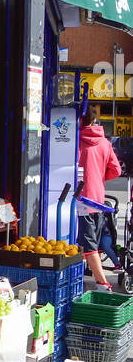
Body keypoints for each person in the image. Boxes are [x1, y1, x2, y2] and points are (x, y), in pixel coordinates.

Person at [77, 104, 122, 290]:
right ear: (95, 120)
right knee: (88, 243)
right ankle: (82, 279)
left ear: (80, 120)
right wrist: (100, 177)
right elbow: (116, 170)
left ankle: (103, 284)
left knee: (88, 246)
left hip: (81, 200)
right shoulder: (105, 143)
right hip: (98, 201)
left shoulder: (77, 141)